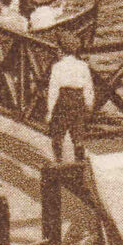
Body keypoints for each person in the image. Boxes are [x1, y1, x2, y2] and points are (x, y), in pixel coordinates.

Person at [45, 32, 96, 163]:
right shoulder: (83, 65)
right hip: (78, 98)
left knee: (58, 133)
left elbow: (53, 90)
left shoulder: (57, 66)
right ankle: (80, 162)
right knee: (77, 132)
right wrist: (89, 105)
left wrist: (50, 111)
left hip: (64, 98)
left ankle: (58, 160)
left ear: (62, 50)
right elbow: (88, 87)